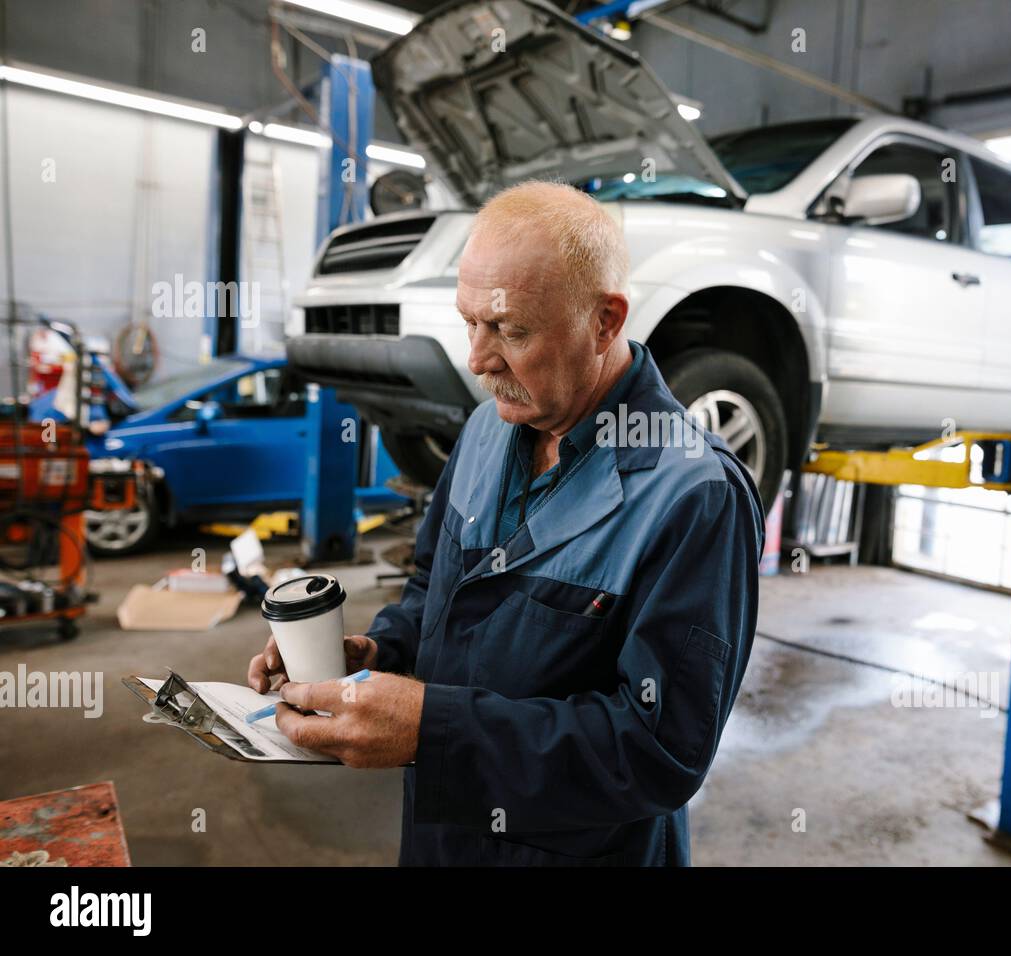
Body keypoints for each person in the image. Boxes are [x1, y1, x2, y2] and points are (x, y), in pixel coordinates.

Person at [249, 180, 763, 866]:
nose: (478, 360)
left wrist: (431, 731)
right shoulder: (487, 431)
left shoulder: (693, 494)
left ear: (606, 321)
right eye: (470, 323)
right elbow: (433, 589)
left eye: (511, 330)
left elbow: (659, 752)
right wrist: (378, 656)